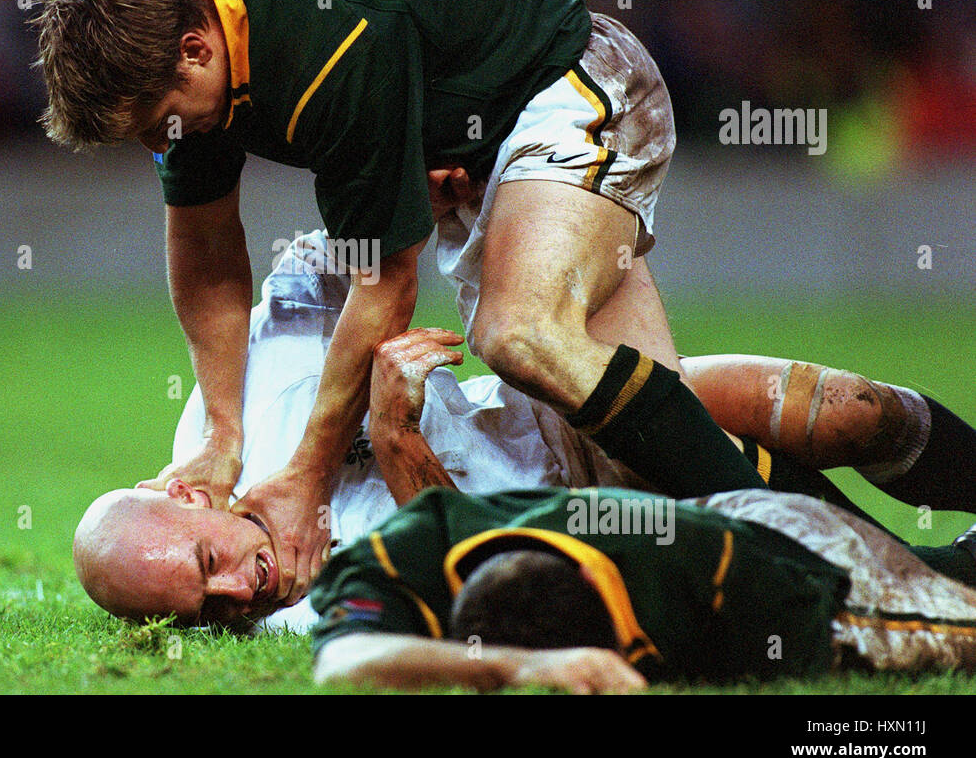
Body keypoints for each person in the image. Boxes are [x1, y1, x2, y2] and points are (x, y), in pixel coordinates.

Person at [38, 0, 771, 604]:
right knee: (646, 479)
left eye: (157, 123)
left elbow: (385, 279)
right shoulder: (153, 6)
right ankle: (844, 503)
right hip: (471, 149)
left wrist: (307, 476)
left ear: (196, 54)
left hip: (570, 81)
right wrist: (222, 436)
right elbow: (202, 245)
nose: (155, 147)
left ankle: (787, 552)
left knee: (520, 336)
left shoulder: (328, 42)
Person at [73, 231, 976, 630]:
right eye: (206, 614)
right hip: (588, 526)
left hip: (558, 408)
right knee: (808, 546)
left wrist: (379, 271)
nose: (238, 592)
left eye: (207, 565)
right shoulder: (293, 619)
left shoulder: (224, 413)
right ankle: (942, 577)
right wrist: (396, 449)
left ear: (187, 493)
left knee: (859, 409)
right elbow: (486, 577)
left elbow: (315, 266)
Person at [309, 485, 976, 692]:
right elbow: (340, 665)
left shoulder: (702, 575)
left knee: (952, 627)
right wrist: (525, 665)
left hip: (780, 549)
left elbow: (805, 636)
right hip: (671, 524)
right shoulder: (406, 548)